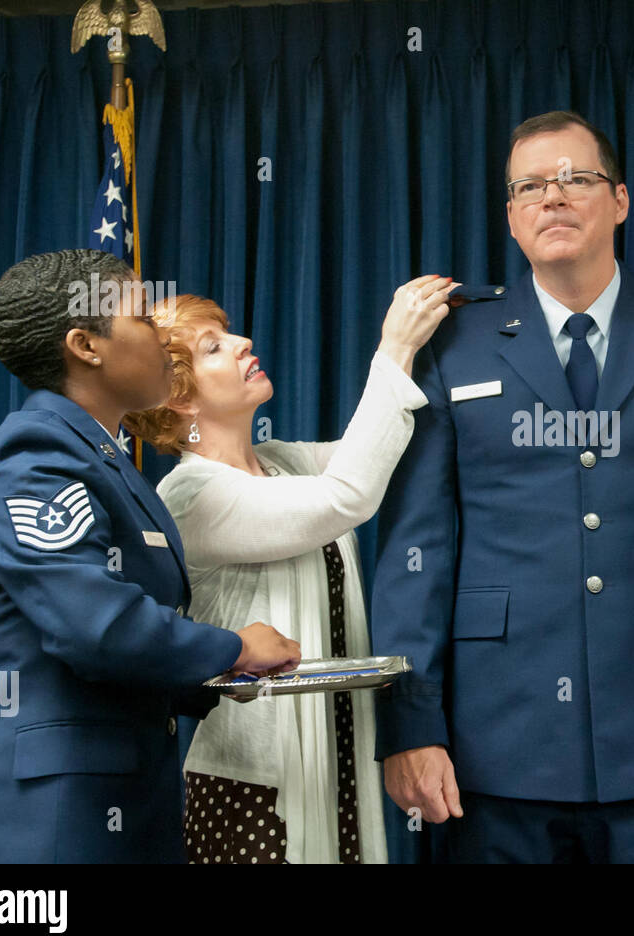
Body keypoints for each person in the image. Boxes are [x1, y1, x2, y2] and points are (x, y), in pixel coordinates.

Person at [371, 111, 634, 863]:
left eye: (576, 179)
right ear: (510, 215)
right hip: (492, 749)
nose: (553, 198)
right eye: (531, 186)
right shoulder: (450, 342)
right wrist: (412, 724)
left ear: (622, 200)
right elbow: (418, 551)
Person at [0, 249, 300, 863]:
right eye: (144, 319)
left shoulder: (101, 458)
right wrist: (234, 648)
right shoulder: (36, 455)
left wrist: (221, 678)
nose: (163, 342)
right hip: (43, 826)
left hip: (114, 807)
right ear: (85, 345)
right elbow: (96, 627)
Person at [123, 276, 452, 864]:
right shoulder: (190, 496)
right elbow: (346, 496)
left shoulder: (283, 464)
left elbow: (380, 450)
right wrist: (395, 346)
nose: (245, 343)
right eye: (214, 346)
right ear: (180, 398)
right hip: (254, 788)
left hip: (337, 766)